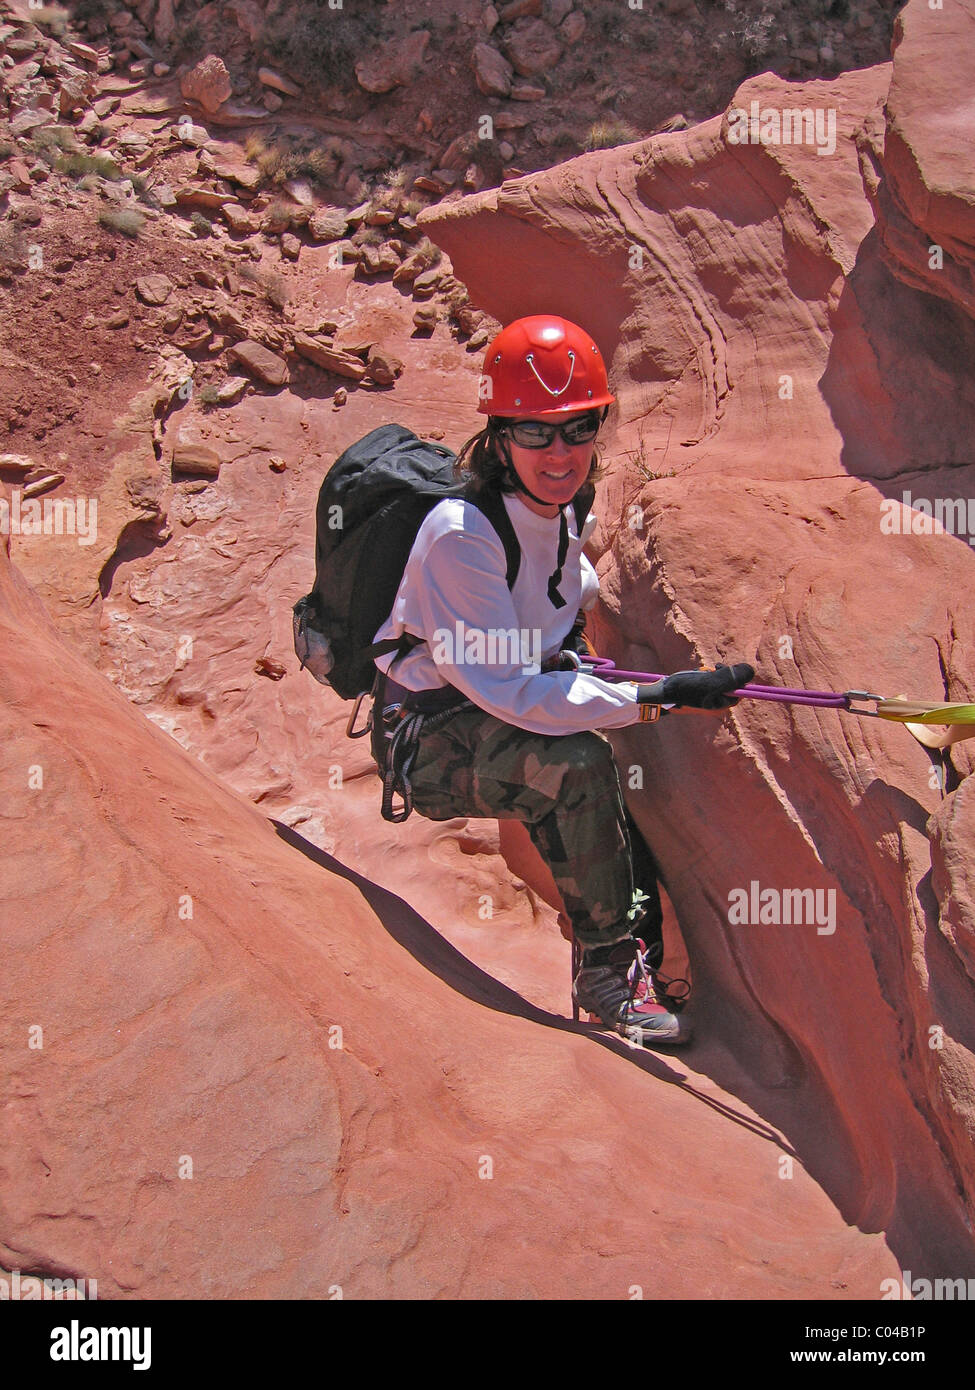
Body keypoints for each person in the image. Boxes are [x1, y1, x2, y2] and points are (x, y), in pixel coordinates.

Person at [370, 315, 754, 1047]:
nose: (560, 452)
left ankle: (610, 924)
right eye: (535, 431)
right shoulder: (461, 536)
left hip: (490, 703)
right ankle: (608, 974)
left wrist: (590, 666)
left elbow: (556, 600)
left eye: (578, 429)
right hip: (428, 741)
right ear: (498, 434)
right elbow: (510, 693)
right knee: (575, 766)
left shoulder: (558, 503)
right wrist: (654, 698)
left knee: (576, 754)